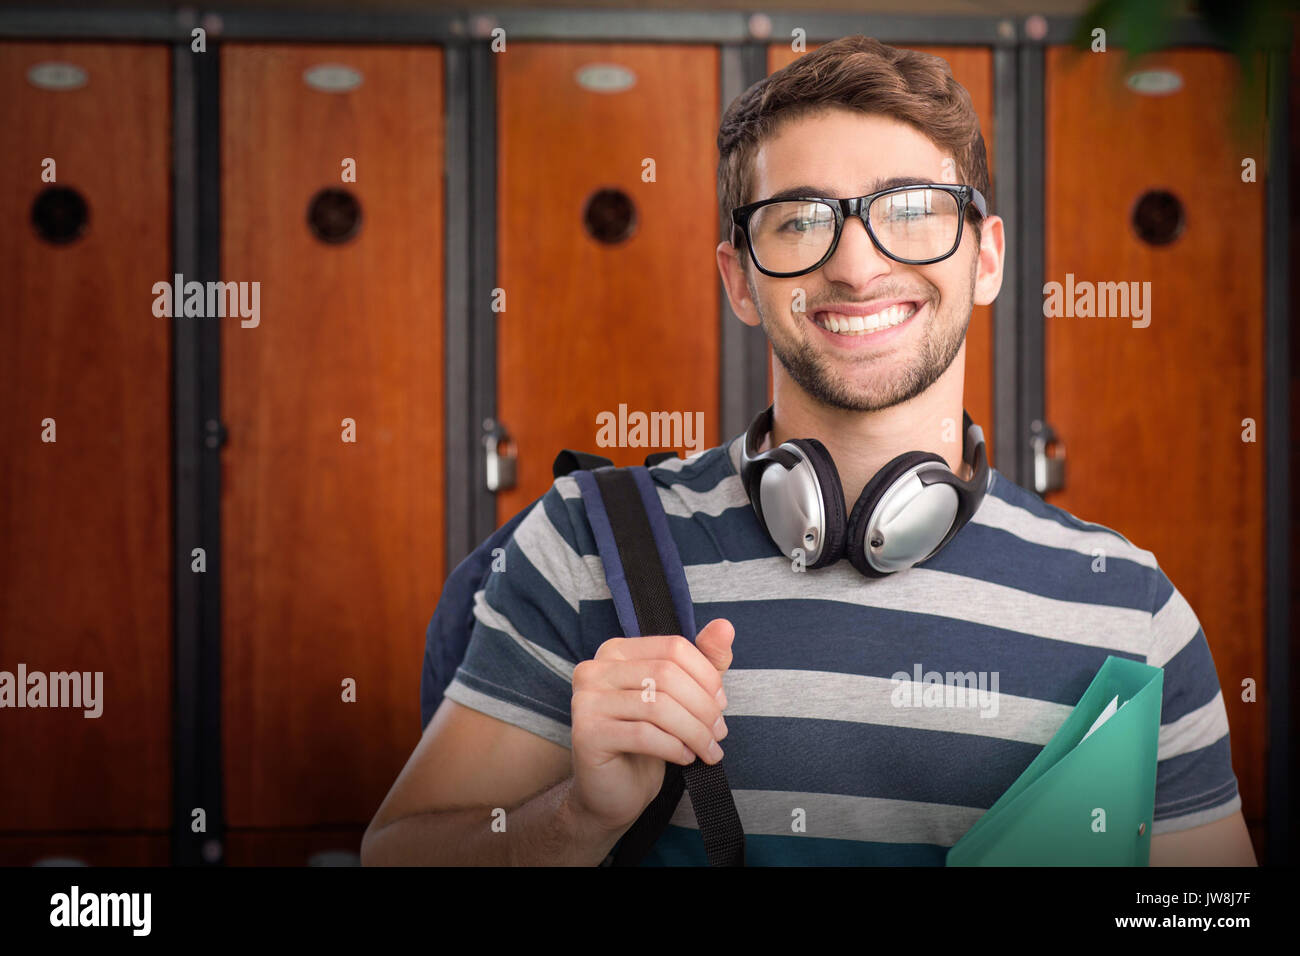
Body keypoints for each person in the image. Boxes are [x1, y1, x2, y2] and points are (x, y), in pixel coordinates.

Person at [361, 35, 1255, 866]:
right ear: (740, 280)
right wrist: (578, 818)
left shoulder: (1133, 610)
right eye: (797, 220)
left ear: (986, 259)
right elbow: (395, 852)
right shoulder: (585, 544)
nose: (857, 266)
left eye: (910, 211)